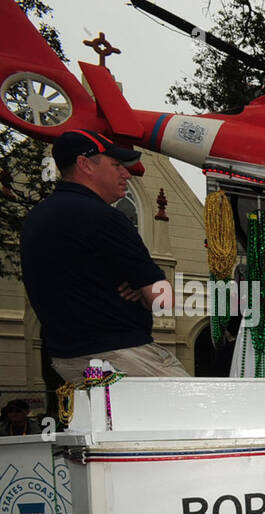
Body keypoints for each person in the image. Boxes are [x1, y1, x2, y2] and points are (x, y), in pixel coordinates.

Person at [20, 129, 187, 382]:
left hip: (69, 361)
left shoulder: (36, 218)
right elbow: (162, 298)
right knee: (200, 414)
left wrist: (136, 287)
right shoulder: (102, 217)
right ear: (85, 164)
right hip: (123, 357)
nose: (126, 174)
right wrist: (143, 290)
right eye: (116, 165)